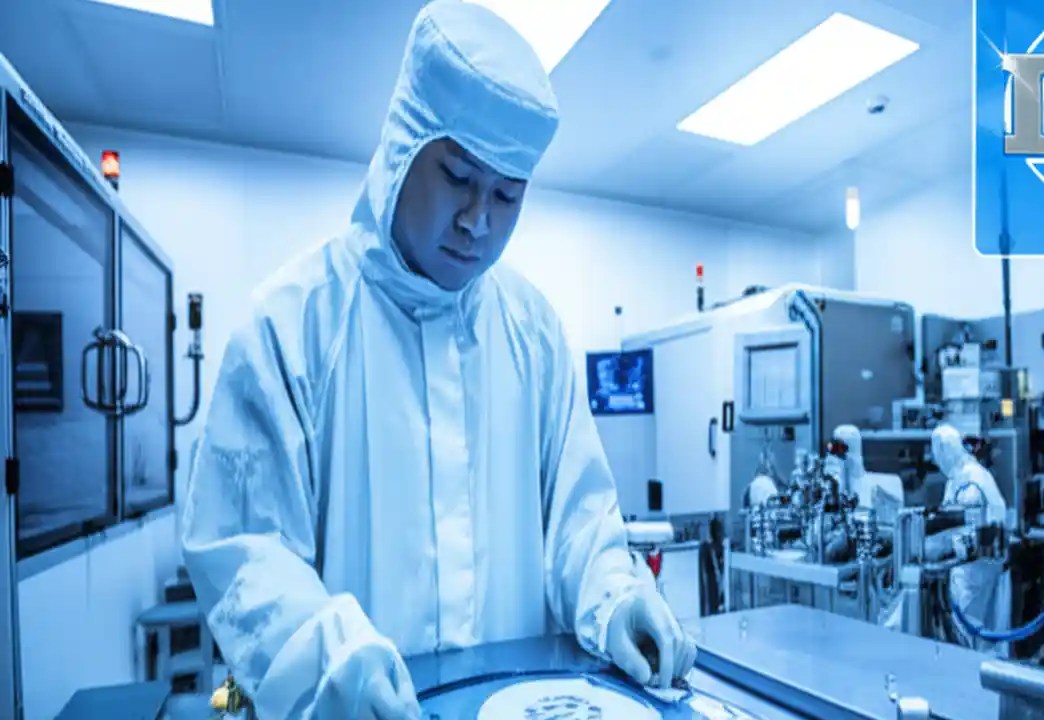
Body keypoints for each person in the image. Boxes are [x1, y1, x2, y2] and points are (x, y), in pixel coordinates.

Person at [180, 3, 695, 718]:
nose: (478, 221)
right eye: (457, 177)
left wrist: (618, 598)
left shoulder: (534, 334)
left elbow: (580, 520)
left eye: (507, 194)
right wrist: (334, 663)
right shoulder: (291, 327)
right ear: (402, 147)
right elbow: (247, 555)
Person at [930, 424, 1010, 649]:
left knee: (968, 630)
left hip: (977, 569)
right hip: (975, 566)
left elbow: (973, 530)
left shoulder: (971, 480)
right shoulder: (959, 477)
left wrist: (941, 549)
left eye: (938, 454)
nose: (937, 462)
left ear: (946, 450)